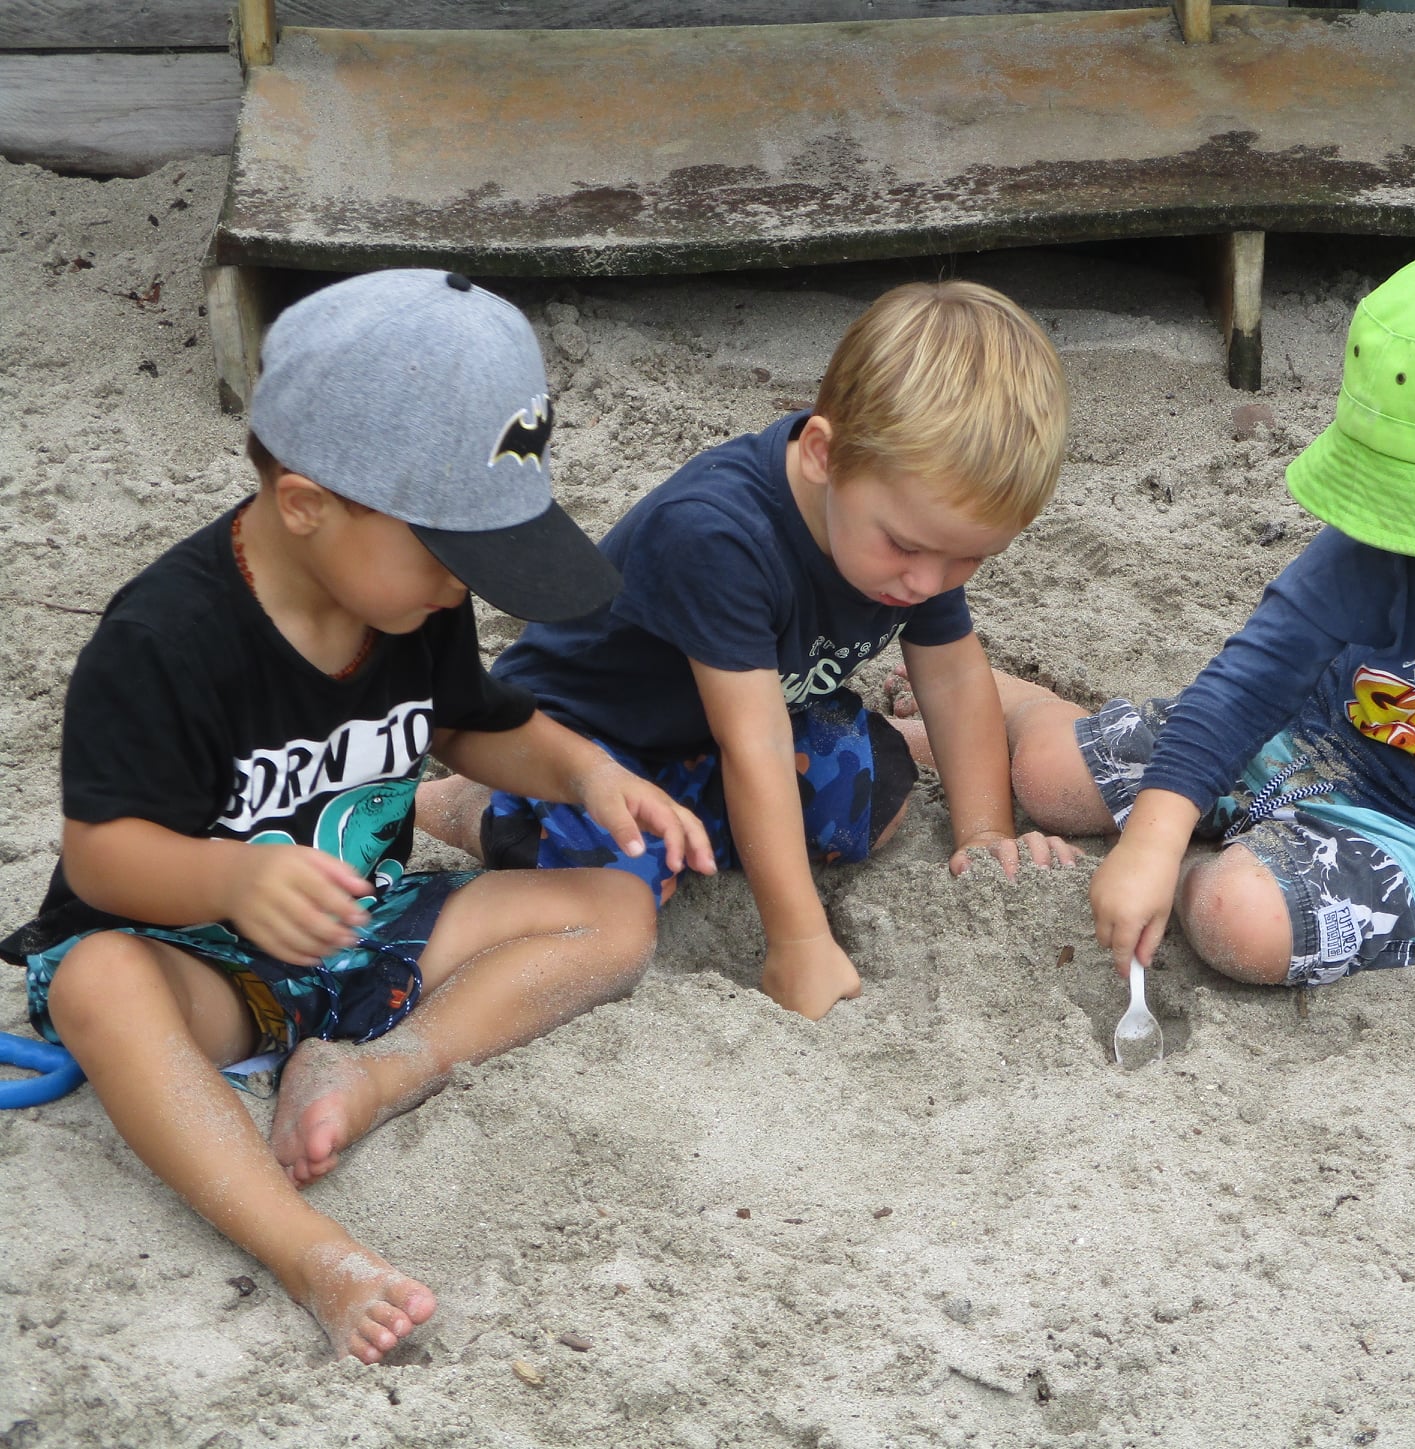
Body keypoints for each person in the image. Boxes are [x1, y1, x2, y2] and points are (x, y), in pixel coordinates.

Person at [1, 269, 715, 1364]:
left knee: (614, 910)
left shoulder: (414, 597)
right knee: (99, 988)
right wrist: (234, 881)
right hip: (198, 962)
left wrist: (584, 773)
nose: (459, 587)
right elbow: (102, 858)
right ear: (306, 505)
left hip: (363, 933)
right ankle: (307, 1252)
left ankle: (375, 1071)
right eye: (453, 555)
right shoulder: (166, 637)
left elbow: (469, 726)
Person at [919, 241, 1415, 1031]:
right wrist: (1156, 833)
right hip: (1299, 742)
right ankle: (1011, 707)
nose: (1396, 514)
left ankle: (1212, 856)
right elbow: (1253, 678)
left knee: (1237, 918)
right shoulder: (1385, 538)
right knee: (1046, 776)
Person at [418, 279, 1076, 1020]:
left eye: (966, 561)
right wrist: (798, 940)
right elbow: (753, 741)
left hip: (719, 729)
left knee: (875, 797)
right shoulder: (719, 534)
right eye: (906, 546)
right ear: (825, 454)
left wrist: (984, 831)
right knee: (623, 869)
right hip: (585, 736)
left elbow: (954, 674)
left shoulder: (915, 531)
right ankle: (468, 807)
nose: (928, 580)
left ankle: (690, 824)